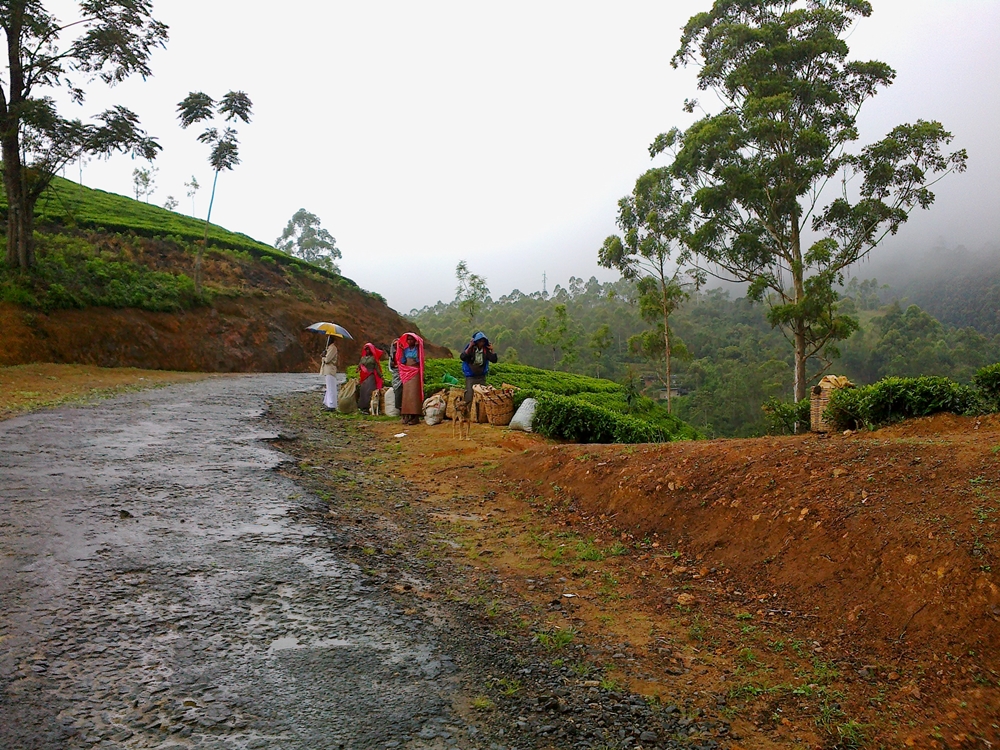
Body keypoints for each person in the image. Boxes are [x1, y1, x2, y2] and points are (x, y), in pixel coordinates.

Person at [459, 331, 498, 406]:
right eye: (480, 341)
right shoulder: (471, 349)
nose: (481, 343)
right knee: (469, 395)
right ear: (476, 342)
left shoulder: (485, 350)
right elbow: (462, 357)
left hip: (481, 376)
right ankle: (469, 413)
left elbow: (494, 360)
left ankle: (479, 414)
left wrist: (492, 350)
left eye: (483, 341)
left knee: (481, 396)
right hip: (471, 376)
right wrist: (470, 346)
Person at [394, 333, 424, 425]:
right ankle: (406, 415)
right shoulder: (406, 350)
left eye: (412, 339)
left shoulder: (418, 350)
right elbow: (402, 361)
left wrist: (419, 348)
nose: (410, 341)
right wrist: (401, 350)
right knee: (406, 395)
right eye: (408, 339)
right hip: (407, 373)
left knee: (414, 394)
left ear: (415, 341)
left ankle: (415, 416)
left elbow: (419, 360)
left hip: (415, 372)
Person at [357, 343, 385, 413]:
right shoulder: (362, 358)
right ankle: (363, 407)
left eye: (369, 349)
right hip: (364, 377)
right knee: (363, 391)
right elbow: (360, 365)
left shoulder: (373, 358)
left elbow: (377, 368)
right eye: (366, 349)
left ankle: (370, 407)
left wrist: (381, 376)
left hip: (371, 376)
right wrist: (358, 369)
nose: (367, 351)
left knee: (369, 391)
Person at [319, 335, 339, 410]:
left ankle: (332, 405)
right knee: (329, 387)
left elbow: (327, 360)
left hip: (330, 369)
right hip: (327, 369)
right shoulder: (329, 348)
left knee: (331, 387)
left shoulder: (333, 348)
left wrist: (324, 356)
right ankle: (328, 403)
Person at [387, 339, 403, 414]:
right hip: (396, 375)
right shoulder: (392, 355)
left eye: (397, 345)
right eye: (394, 345)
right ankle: (399, 407)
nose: (395, 346)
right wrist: (394, 366)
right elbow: (390, 367)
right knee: (397, 390)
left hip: (403, 374)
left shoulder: (403, 353)